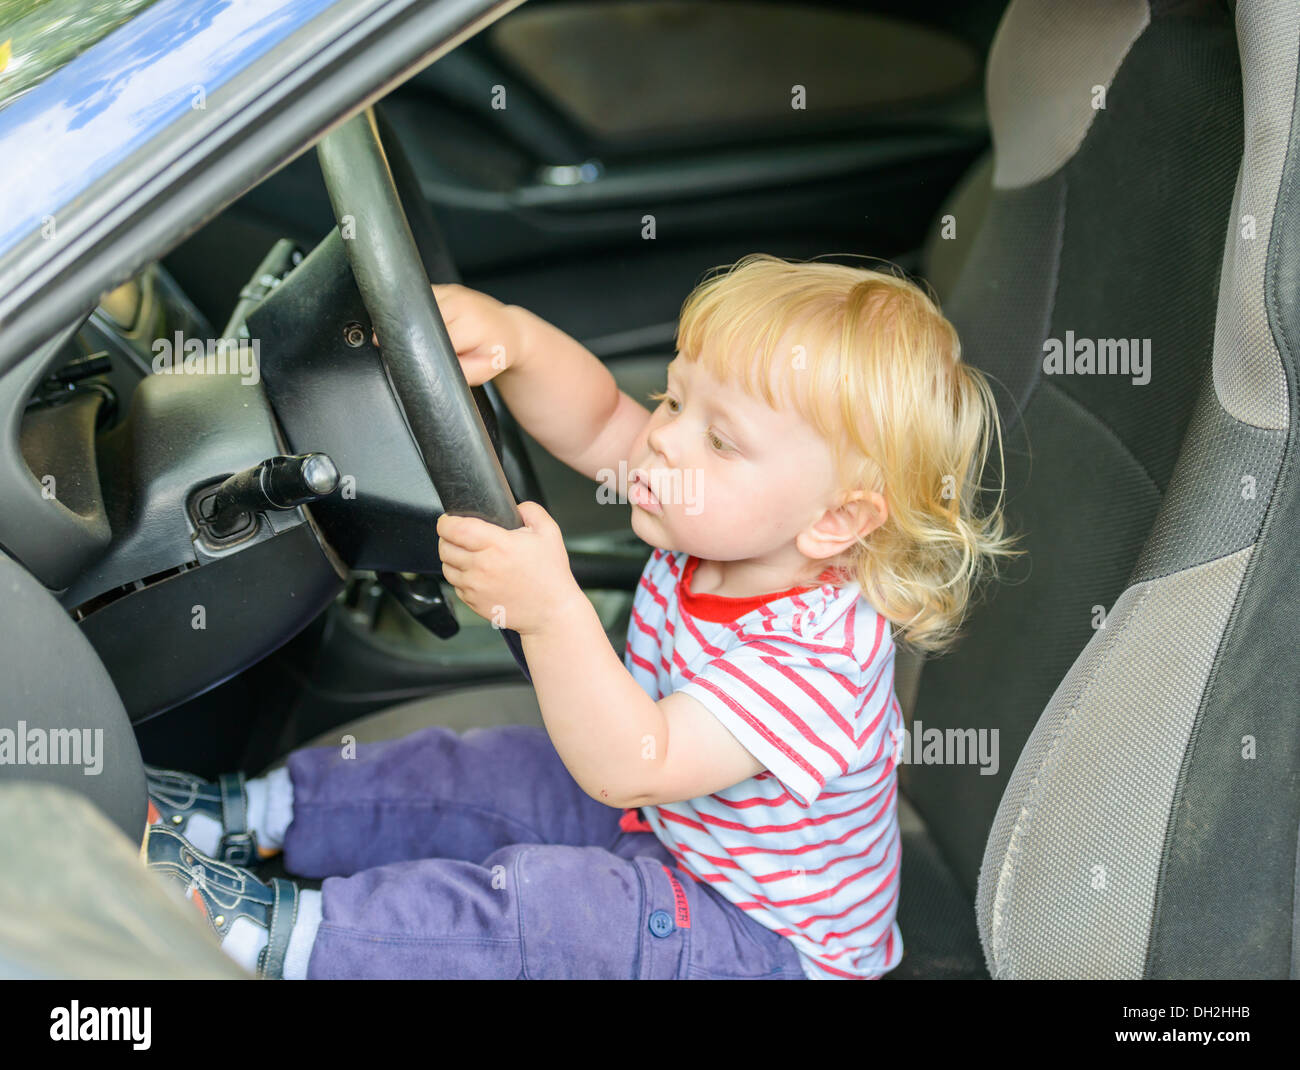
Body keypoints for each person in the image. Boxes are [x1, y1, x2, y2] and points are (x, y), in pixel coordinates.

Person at [142, 253, 1017, 979]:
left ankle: (283, 939)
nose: (667, 438)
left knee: (547, 912)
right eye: (677, 399)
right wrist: (516, 340)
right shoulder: (714, 515)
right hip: (675, 827)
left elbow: (633, 766)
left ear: (833, 521)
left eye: (721, 439)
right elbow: (599, 417)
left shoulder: (813, 661)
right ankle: (248, 812)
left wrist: (550, 607)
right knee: (489, 771)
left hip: (758, 943)